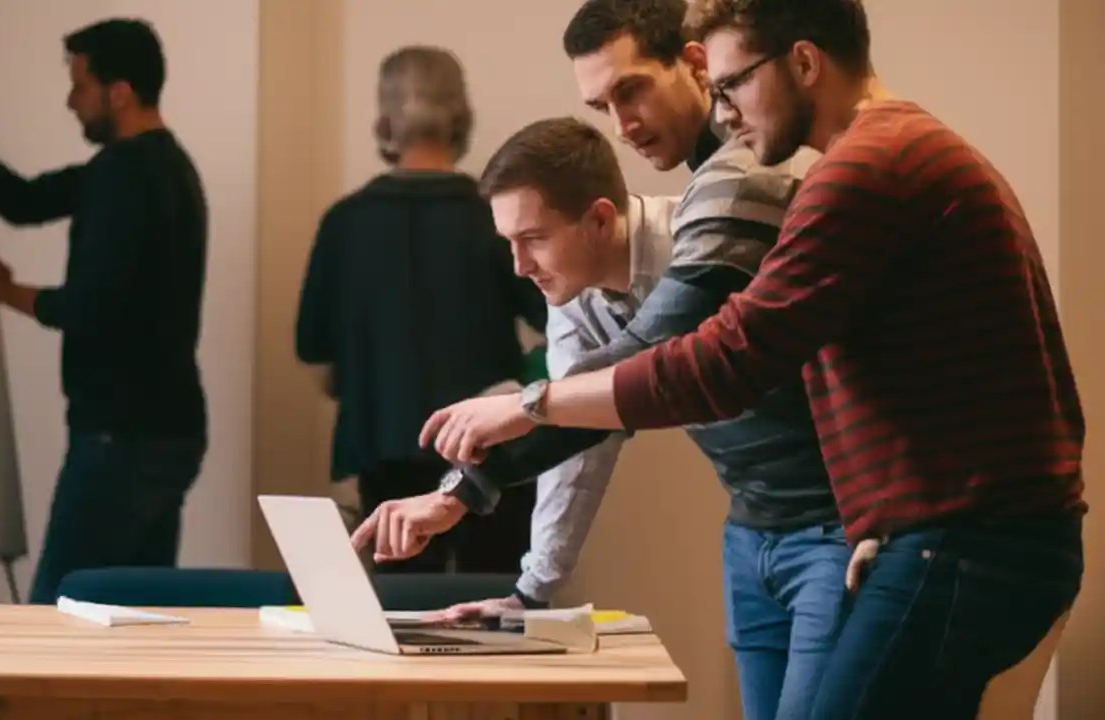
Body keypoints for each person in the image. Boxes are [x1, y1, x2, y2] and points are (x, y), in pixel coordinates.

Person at [366, 0, 1088, 716]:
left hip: (963, 536)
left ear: (804, 63)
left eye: (732, 83)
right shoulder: (887, 154)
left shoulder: (842, 172)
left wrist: (529, 405)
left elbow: (715, 364)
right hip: (948, 529)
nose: (727, 110)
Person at [359, 3, 847, 716]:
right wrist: (514, 569)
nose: (622, 124)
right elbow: (588, 433)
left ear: (695, 65)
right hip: (752, 531)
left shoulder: (733, 196)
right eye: (602, 104)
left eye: (632, 90)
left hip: (838, 524)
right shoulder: (578, 297)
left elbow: (646, 367)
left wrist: (522, 408)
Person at [0, 19, 209, 604]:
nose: (69, 100)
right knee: (135, 613)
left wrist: (7, 292)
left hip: (120, 436)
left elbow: (88, 307)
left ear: (120, 92)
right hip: (171, 430)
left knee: (56, 614)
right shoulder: (170, 168)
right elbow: (27, 201)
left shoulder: (120, 176)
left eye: (80, 86)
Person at [295, 46, 546, 575]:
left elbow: (313, 351)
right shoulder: (493, 217)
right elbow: (558, 323)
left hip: (385, 451)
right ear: (461, 116)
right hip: (491, 449)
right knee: (497, 612)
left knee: (401, 621)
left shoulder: (345, 223)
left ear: (385, 119)